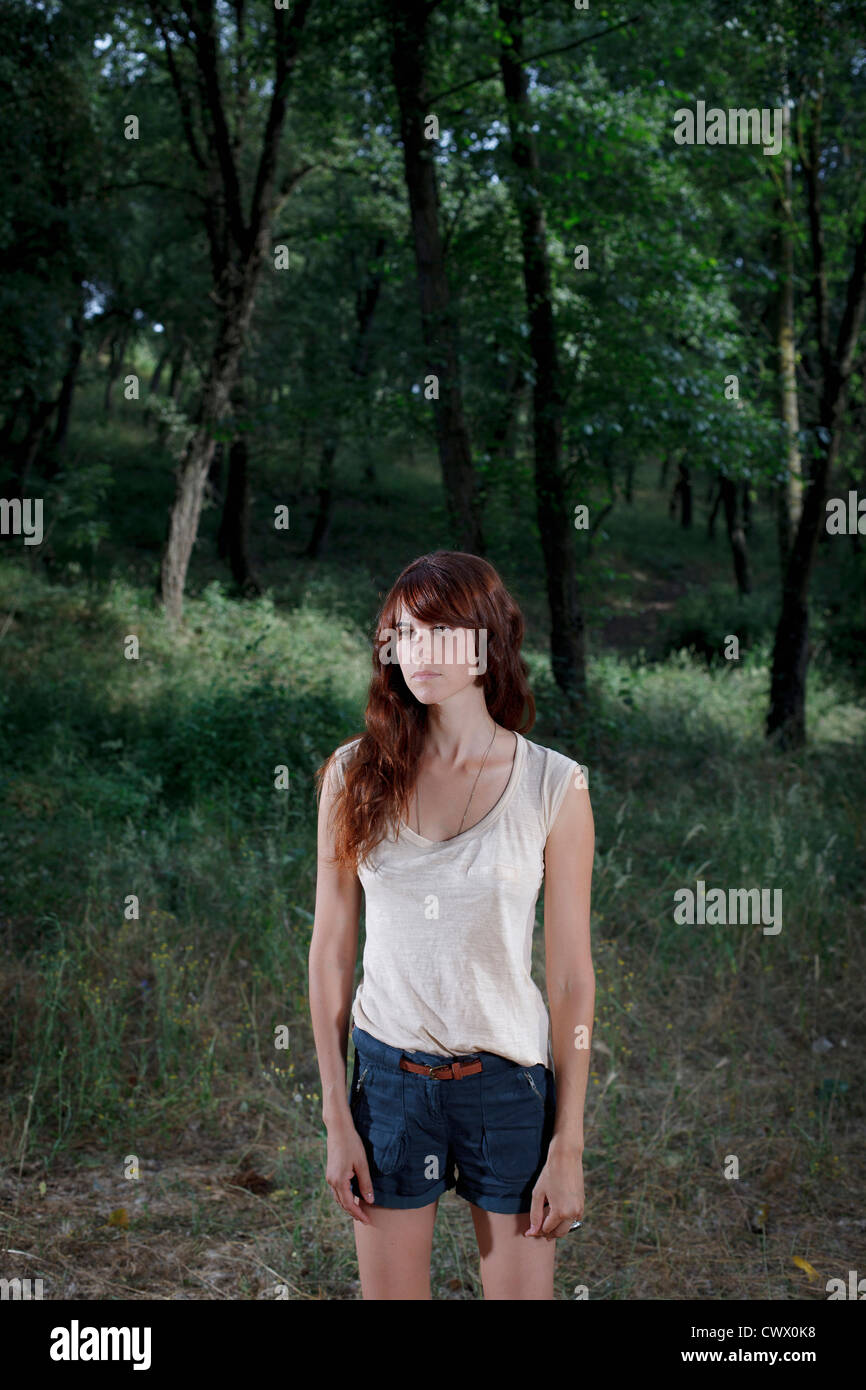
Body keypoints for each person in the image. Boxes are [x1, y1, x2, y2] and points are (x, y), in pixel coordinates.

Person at [308, 550, 595, 1299]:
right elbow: (331, 952)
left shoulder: (553, 784)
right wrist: (338, 1117)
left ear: (489, 642)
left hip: (507, 1086)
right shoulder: (353, 774)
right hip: (390, 1083)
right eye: (403, 632)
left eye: (441, 631)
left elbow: (569, 977)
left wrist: (569, 1140)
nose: (418, 651)